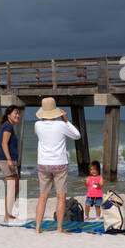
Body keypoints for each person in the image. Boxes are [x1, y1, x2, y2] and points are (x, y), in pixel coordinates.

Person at [33, 97, 81, 234]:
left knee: (43, 196)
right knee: (61, 197)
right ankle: (59, 228)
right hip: (59, 164)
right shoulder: (61, 125)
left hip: (43, 163)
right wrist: (66, 120)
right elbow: (77, 135)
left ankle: (37, 228)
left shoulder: (37, 125)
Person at [0, 105, 23, 223]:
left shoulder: (9, 126)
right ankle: (7, 215)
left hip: (9, 160)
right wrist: (9, 160)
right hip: (7, 160)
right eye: (15, 113)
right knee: (12, 187)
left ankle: (8, 213)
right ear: (9, 115)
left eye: (18, 113)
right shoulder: (8, 126)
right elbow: (4, 144)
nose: (18, 115)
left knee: (16, 186)